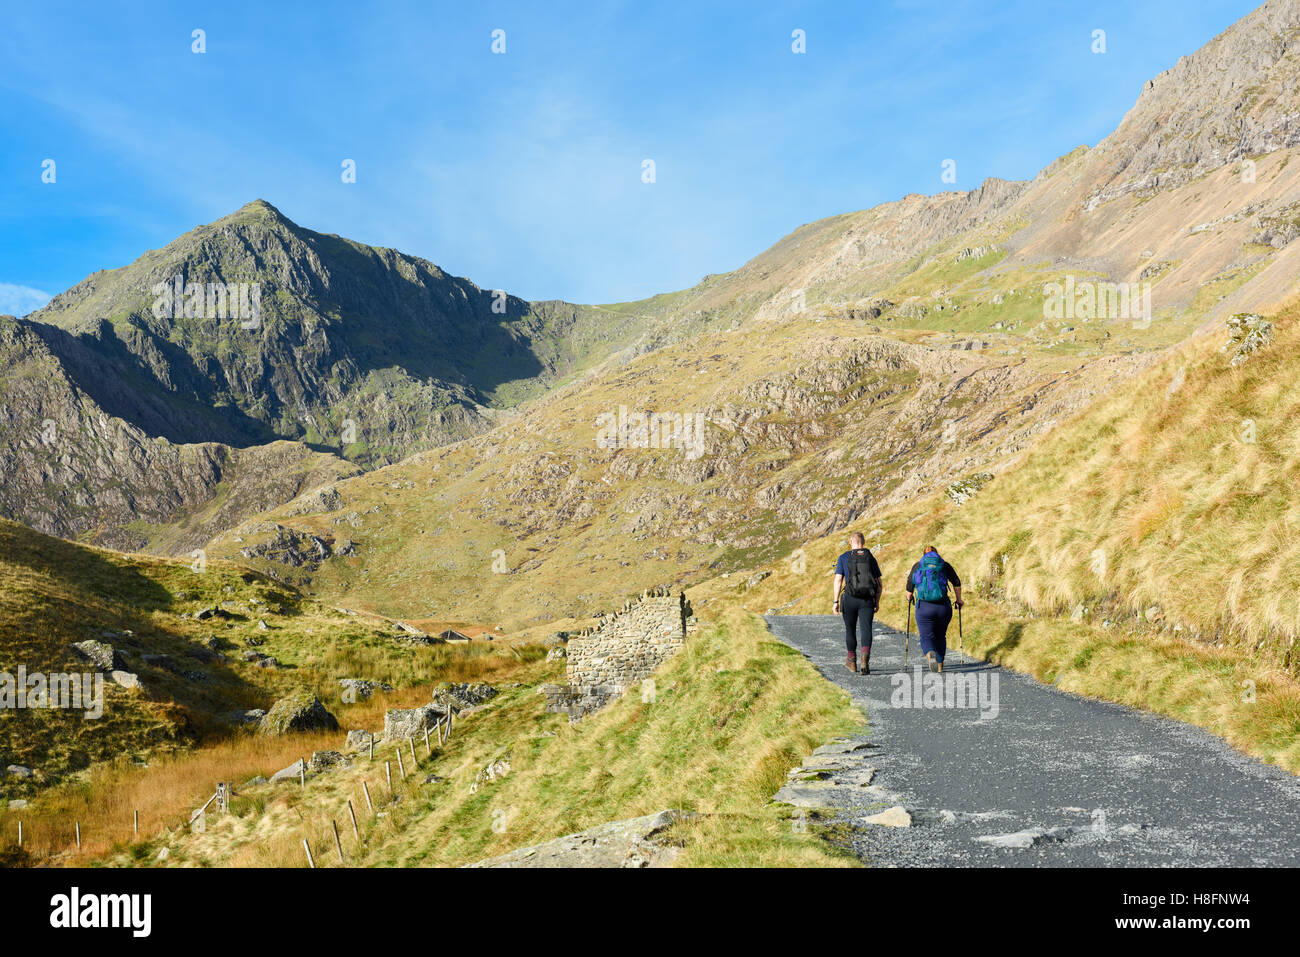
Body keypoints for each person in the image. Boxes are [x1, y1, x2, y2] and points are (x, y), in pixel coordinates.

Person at [905, 546, 962, 672]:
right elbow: (957, 582)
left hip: (924, 607)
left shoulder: (918, 565)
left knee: (926, 636)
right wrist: (959, 599)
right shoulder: (944, 565)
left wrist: (909, 599)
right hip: (943, 607)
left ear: (923, 555)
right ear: (937, 554)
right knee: (941, 635)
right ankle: (940, 665)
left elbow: (909, 589)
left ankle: (930, 653)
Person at [832, 532, 883, 674]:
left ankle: (852, 661)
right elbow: (879, 584)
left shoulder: (843, 557)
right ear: (864, 542)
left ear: (850, 542)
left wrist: (835, 601)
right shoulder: (870, 558)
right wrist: (876, 602)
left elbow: (838, 580)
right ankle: (864, 661)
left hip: (849, 599)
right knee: (866, 629)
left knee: (850, 629)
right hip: (867, 599)